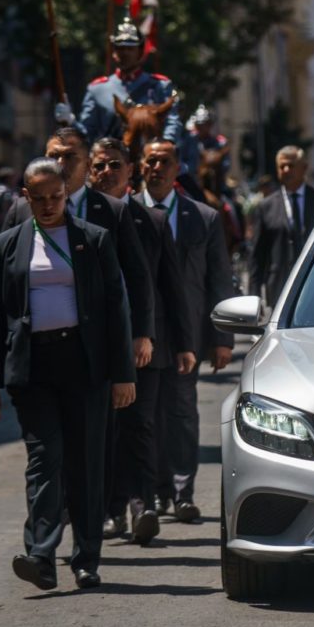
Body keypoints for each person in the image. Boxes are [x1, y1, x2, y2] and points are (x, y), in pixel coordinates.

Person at [0, 158, 135, 591]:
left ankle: (86, 559)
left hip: (85, 365)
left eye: (56, 197)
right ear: (25, 197)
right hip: (32, 367)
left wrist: (124, 374)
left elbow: (116, 309)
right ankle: (41, 556)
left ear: (66, 194)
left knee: (85, 462)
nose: (49, 206)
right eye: (40, 198)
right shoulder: (9, 244)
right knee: (44, 461)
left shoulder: (94, 239)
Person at [89, 138, 194, 545]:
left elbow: (171, 287)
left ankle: (143, 505)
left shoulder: (149, 220)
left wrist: (184, 343)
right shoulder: (77, 219)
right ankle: (111, 510)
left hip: (145, 347)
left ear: (130, 170)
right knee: (104, 432)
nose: (106, 173)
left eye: (115, 165)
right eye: (98, 166)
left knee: (140, 426)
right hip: (95, 349)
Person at [139, 138, 236, 521]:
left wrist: (222, 338)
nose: (157, 168)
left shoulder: (205, 218)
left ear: (178, 167)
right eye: (150, 161)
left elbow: (218, 280)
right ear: (141, 167)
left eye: (164, 161)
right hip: (143, 333)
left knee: (180, 412)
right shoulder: (126, 214)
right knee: (146, 417)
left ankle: (182, 492)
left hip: (188, 335)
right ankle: (152, 493)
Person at [4, 129, 154, 368]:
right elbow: (5, 278)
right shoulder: (21, 210)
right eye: (54, 156)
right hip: (36, 347)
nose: (60, 164)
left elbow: (137, 275)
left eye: (69, 156)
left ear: (87, 164)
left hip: (97, 344)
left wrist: (141, 333)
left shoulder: (111, 211)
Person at [250, 146, 314, 306]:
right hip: (279, 290)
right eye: (282, 166)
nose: (286, 170)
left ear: (304, 168)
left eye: (291, 165)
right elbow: (257, 256)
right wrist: (253, 298)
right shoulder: (266, 206)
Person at [77, 21, 182, 144]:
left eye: (130, 48)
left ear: (140, 51)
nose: (125, 53)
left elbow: (172, 121)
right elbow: (86, 132)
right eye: (120, 48)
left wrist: (166, 145)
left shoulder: (160, 85)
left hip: (151, 156)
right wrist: (70, 121)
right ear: (114, 52)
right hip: (110, 158)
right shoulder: (97, 89)